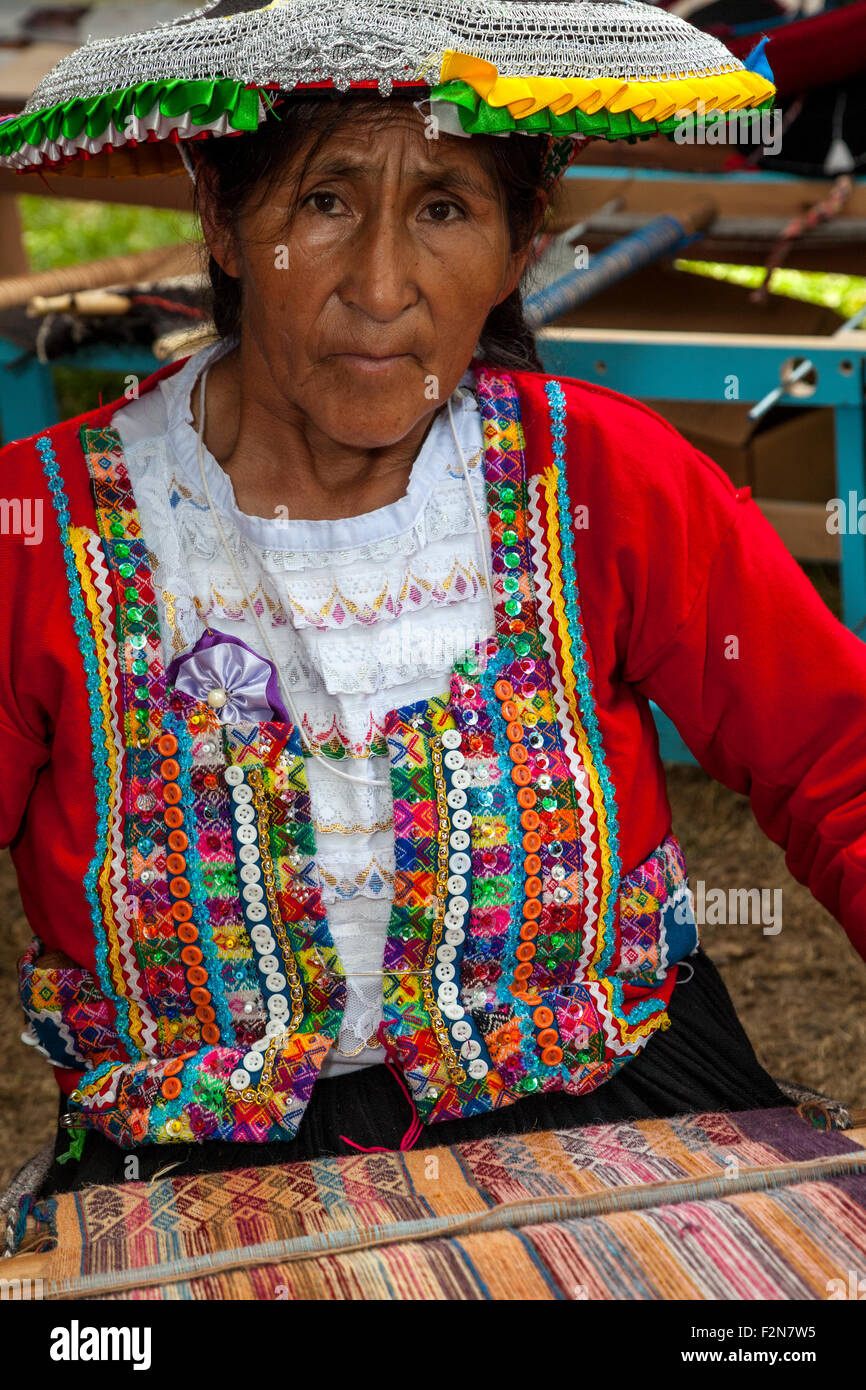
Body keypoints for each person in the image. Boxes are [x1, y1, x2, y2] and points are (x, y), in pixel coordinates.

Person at [0, 1, 859, 1198]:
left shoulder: (608, 481)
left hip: (607, 1113)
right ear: (223, 219)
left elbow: (837, 760)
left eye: (445, 207)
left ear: (518, 249)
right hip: (194, 1171)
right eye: (324, 201)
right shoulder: (47, 532)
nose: (382, 286)